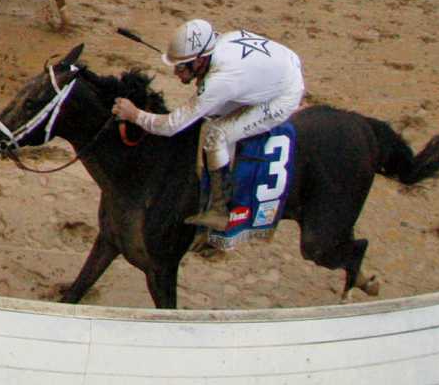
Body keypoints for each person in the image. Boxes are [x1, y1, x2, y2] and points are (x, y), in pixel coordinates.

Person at [111, 19, 306, 232]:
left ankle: (220, 210)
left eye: (182, 67)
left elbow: (171, 126)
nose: (176, 73)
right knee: (211, 113)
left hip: (283, 94)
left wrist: (134, 114)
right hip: (282, 65)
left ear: (200, 61)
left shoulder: (219, 81)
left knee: (217, 135)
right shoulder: (221, 43)